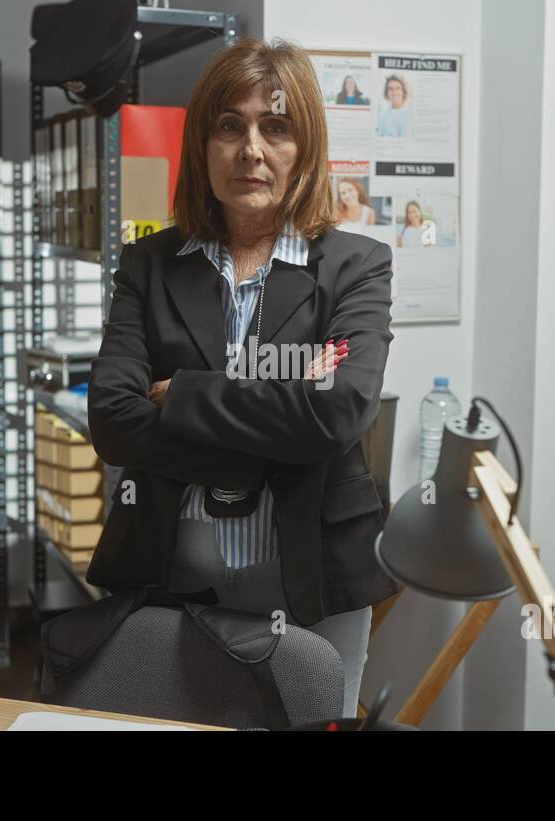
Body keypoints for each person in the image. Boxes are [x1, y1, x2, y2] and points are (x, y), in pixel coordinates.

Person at [85, 37, 398, 720]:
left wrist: (184, 395)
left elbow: (338, 408)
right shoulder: (149, 266)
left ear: (305, 148)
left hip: (315, 577)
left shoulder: (354, 268)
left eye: (275, 126)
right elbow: (111, 418)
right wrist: (282, 431)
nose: (251, 148)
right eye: (230, 125)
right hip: (170, 569)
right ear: (203, 145)